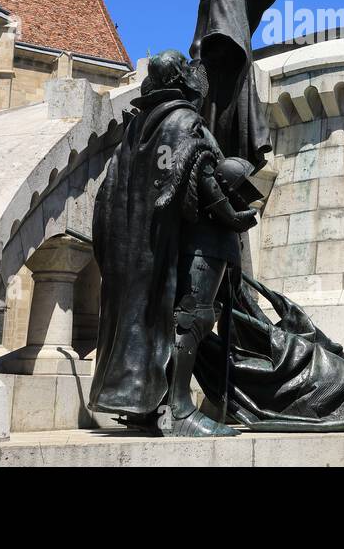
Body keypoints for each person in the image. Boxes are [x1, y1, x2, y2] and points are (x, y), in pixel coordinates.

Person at [88, 49, 260, 437]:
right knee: (194, 317)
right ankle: (179, 410)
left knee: (169, 320)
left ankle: (146, 407)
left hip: (158, 242)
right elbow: (196, 170)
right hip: (200, 239)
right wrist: (232, 214)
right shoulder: (184, 121)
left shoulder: (140, 126)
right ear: (182, 80)